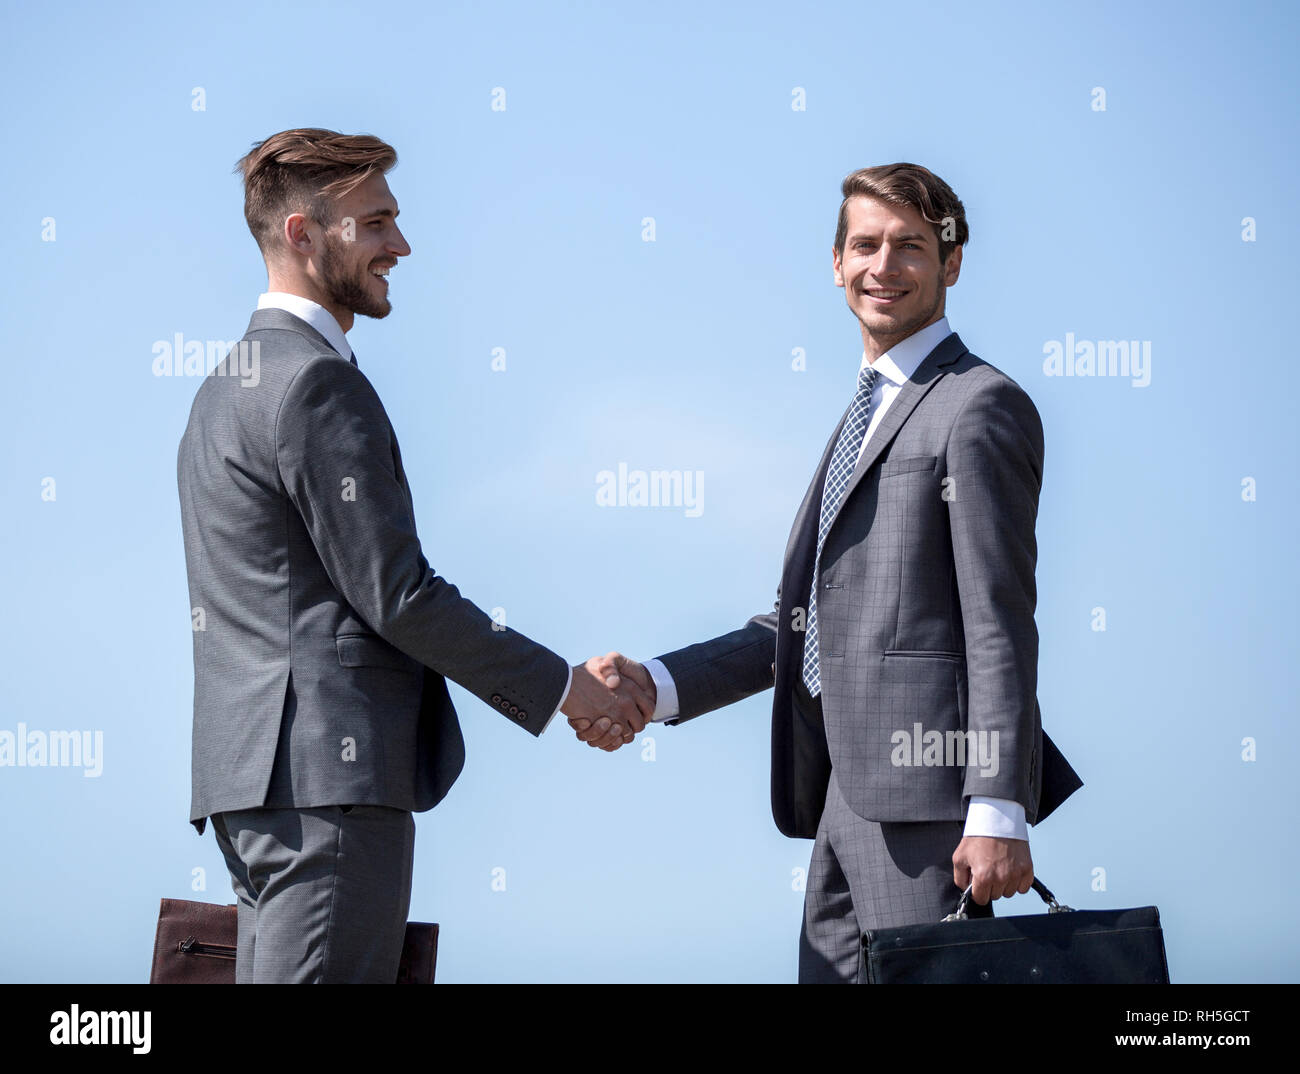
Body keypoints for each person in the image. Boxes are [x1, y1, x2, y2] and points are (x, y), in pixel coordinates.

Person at [572, 163, 1083, 984]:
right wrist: (656, 684)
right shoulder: (865, 408)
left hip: (931, 800)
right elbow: (811, 624)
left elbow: (999, 621)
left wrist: (998, 807)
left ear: (952, 264)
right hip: (840, 793)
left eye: (911, 247)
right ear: (837, 262)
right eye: (866, 245)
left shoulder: (979, 404)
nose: (885, 266)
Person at [177, 128, 650, 983]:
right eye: (377, 222)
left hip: (252, 787)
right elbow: (398, 596)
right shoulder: (317, 382)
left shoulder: (225, 383)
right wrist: (567, 690)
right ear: (302, 235)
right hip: (332, 787)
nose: (401, 244)